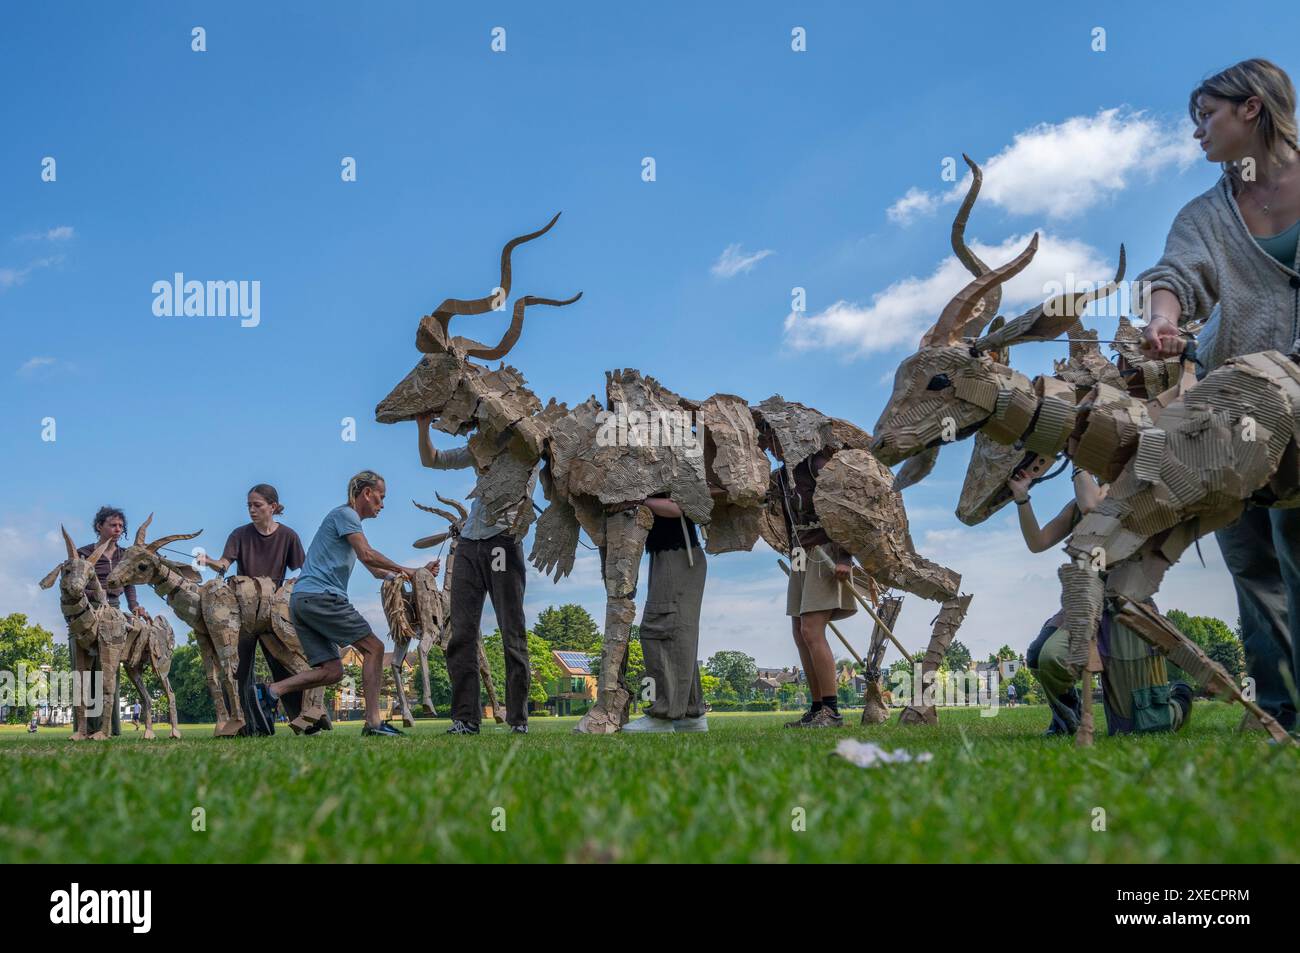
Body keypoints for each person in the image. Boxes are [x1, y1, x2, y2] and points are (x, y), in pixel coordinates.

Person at [1139, 58, 1300, 734]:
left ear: (1252, 108)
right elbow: (1174, 272)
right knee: (1249, 557)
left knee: (1296, 541)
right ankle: (1279, 707)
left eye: (1207, 115)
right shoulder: (1206, 212)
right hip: (1232, 410)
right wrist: (1165, 315)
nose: (1198, 131)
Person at [1012, 460, 1192, 735]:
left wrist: (1077, 460)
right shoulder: (1079, 505)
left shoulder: (1139, 496)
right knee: (1046, 656)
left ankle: (1180, 701)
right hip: (1087, 605)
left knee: (1139, 727)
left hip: (1127, 609)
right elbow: (1037, 542)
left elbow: (1092, 507)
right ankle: (1067, 717)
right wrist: (1022, 498)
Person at [264, 471, 438, 737]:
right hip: (322, 597)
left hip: (302, 602)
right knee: (375, 649)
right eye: (380, 497)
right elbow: (367, 553)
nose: (382, 504)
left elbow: (378, 570)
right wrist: (412, 572)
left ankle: (270, 691)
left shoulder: (346, 524)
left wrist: (416, 571)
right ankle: (373, 722)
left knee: (332, 670)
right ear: (366, 493)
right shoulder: (346, 515)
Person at [417, 415, 536, 735]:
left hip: (503, 542)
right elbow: (432, 460)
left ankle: (518, 719)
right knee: (462, 633)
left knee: (512, 630)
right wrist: (423, 425)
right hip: (470, 544)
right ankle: (466, 718)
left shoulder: (527, 450)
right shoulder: (478, 448)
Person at [759, 430, 856, 729]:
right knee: (800, 633)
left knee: (813, 630)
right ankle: (817, 708)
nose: (768, 446)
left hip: (824, 551)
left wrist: (845, 556)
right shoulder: (780, 477)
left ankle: (831, 711)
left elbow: (845, 506)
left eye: (771, 438)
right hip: (800, 554)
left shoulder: (817, 464)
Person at [198, 484, 307, 733]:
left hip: (272, 612)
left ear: (273, 507)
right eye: (248, 505)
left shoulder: (288, 536)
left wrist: (293, 584)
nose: (251, 510)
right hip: (243, 612)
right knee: (238, 669)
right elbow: (225, 564)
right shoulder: (239, 534)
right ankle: (241, 725)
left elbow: (304, 570)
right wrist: (210, 562)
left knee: (284, 666)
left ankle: (302, 720)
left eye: (257, 505)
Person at [618, 494, 709, 733]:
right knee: (679, 637)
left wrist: (635, 500)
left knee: (660, 631)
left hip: (678, 556)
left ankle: (663, 714)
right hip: (669, 555)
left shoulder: (671, 470)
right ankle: (690, 713)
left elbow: (678, 507)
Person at [78, 506, 151, 737]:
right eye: (112, 525)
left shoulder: (124, 555)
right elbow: (76, 586)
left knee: (110, 670)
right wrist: (96, 597)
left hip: (116, 611)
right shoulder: (83, 553)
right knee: (85, 671)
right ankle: (85, 728)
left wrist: (135, 606)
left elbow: (129, 584)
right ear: (99, 526)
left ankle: (109, 728)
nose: (117, 529)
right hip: (88, 611)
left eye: (120, 526)